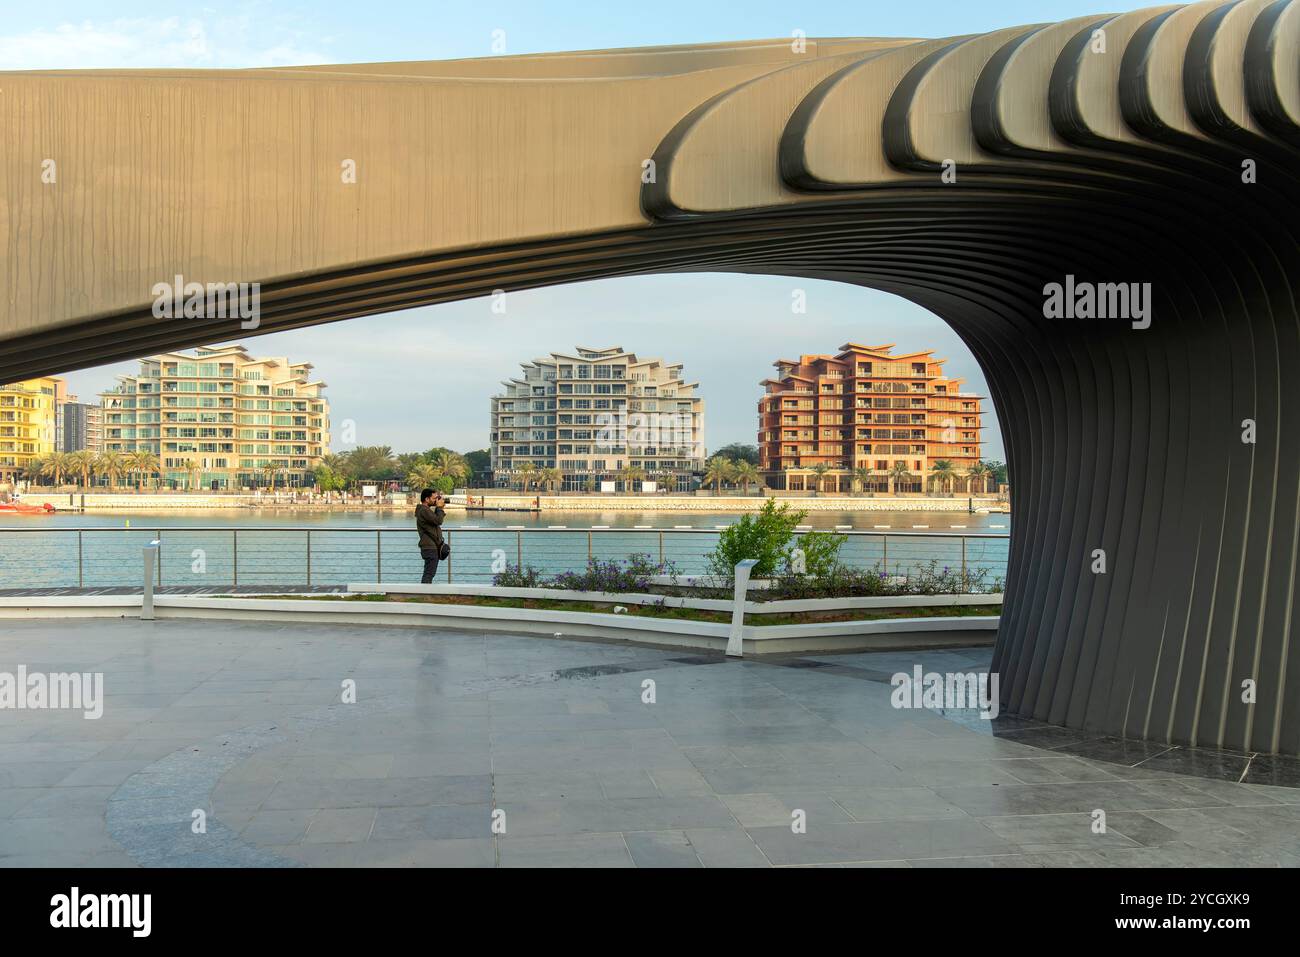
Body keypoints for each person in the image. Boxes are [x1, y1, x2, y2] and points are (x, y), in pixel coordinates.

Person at [415, 488, 445, 584]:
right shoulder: (424, 510)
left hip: (431, 547)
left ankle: (424, 590)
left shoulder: (425, 510)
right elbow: (438, 521)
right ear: (427, 499)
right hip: (429, 547)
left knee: (429, 573)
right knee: (429, 573)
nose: (436, 500)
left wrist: (439, 508)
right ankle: (424, 591)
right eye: (434, 498)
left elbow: (434, 520)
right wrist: (439, 508)